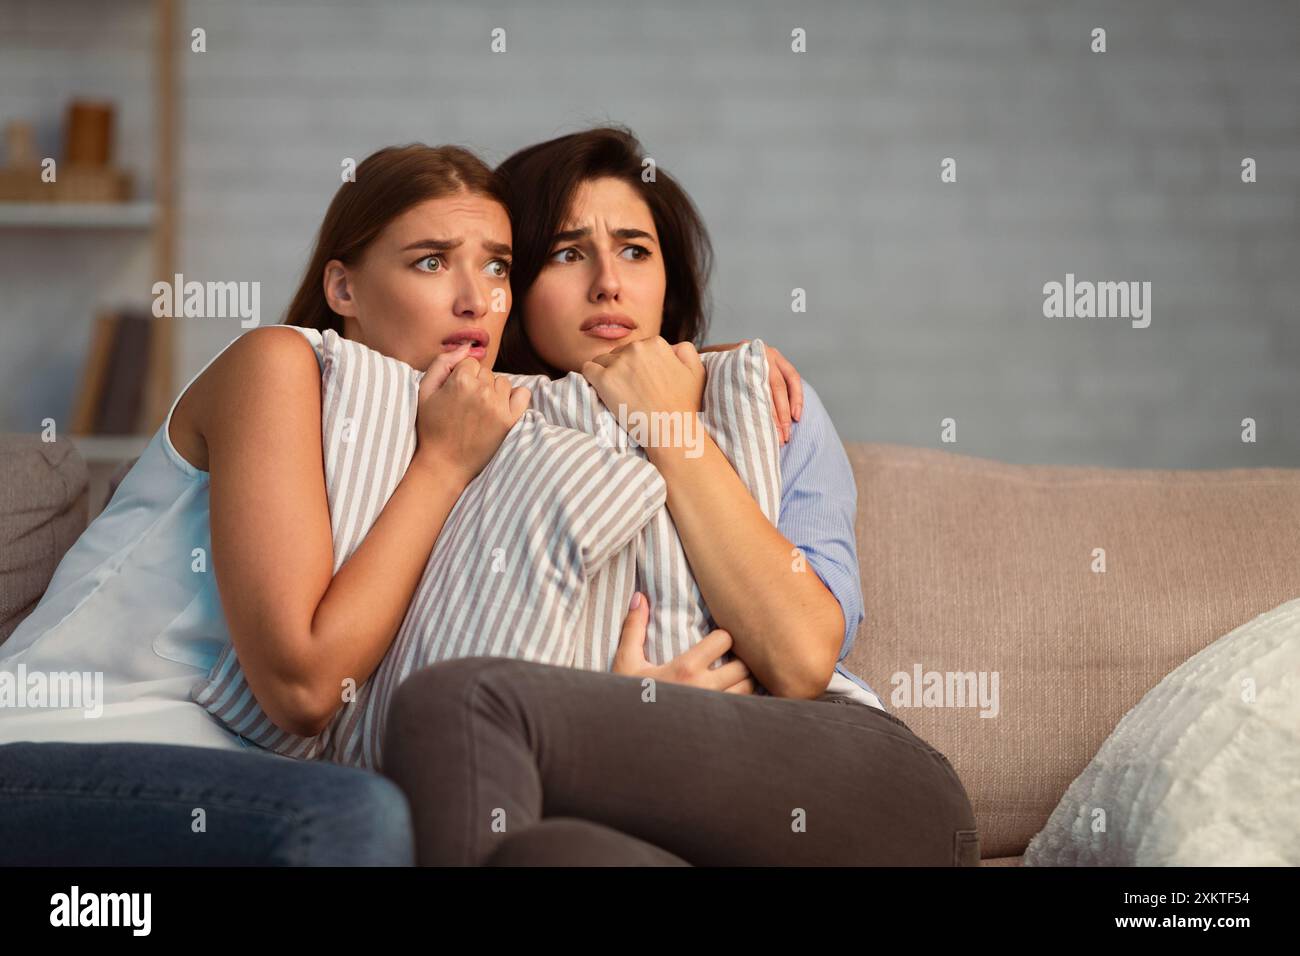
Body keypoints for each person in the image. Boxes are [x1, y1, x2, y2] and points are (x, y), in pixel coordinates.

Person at [378, 127, 981, 866]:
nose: (609, 282)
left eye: (636, 250)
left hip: (853, 781)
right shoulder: (455, 424)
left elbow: (799, 658)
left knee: (458, 703)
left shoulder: (768, 407)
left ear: (671, 280)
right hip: (615, 799)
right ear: (509, 287)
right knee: (551, 856)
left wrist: (671, 424)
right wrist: (621, 708)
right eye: (568, 253)